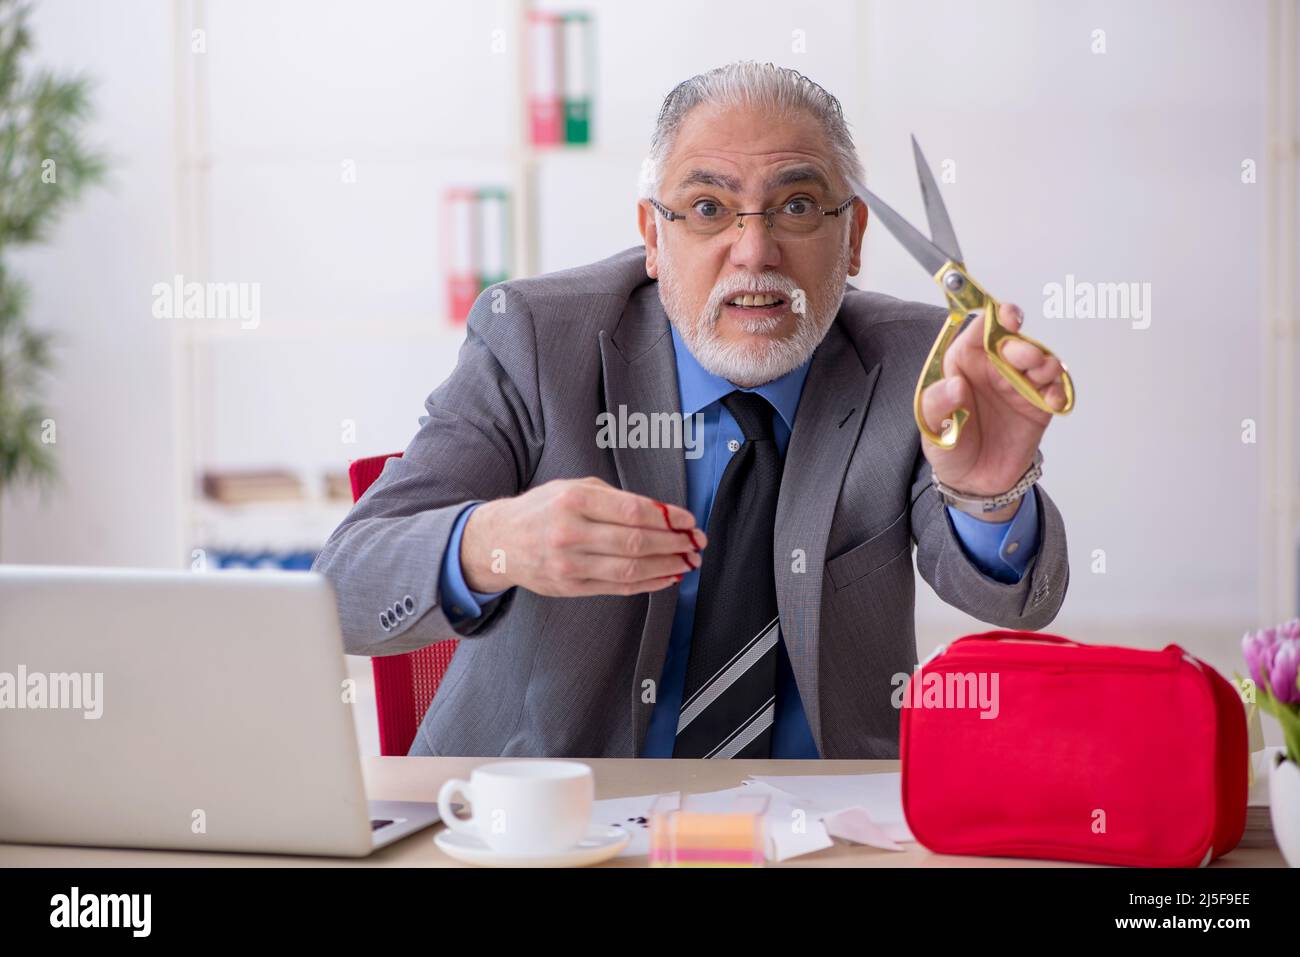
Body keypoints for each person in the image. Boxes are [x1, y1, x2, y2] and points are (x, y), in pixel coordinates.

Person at [313, 61, 1069, 759]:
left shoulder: (919, 364)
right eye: (708, 207)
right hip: (552, 826)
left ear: (854, 237)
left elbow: (1016, 604)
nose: (754, 250)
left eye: (797, 205)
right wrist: (496, 542)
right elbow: (340, 592)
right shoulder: (535, 338)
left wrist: (987, 493)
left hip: (827, 829)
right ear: (652, 235)